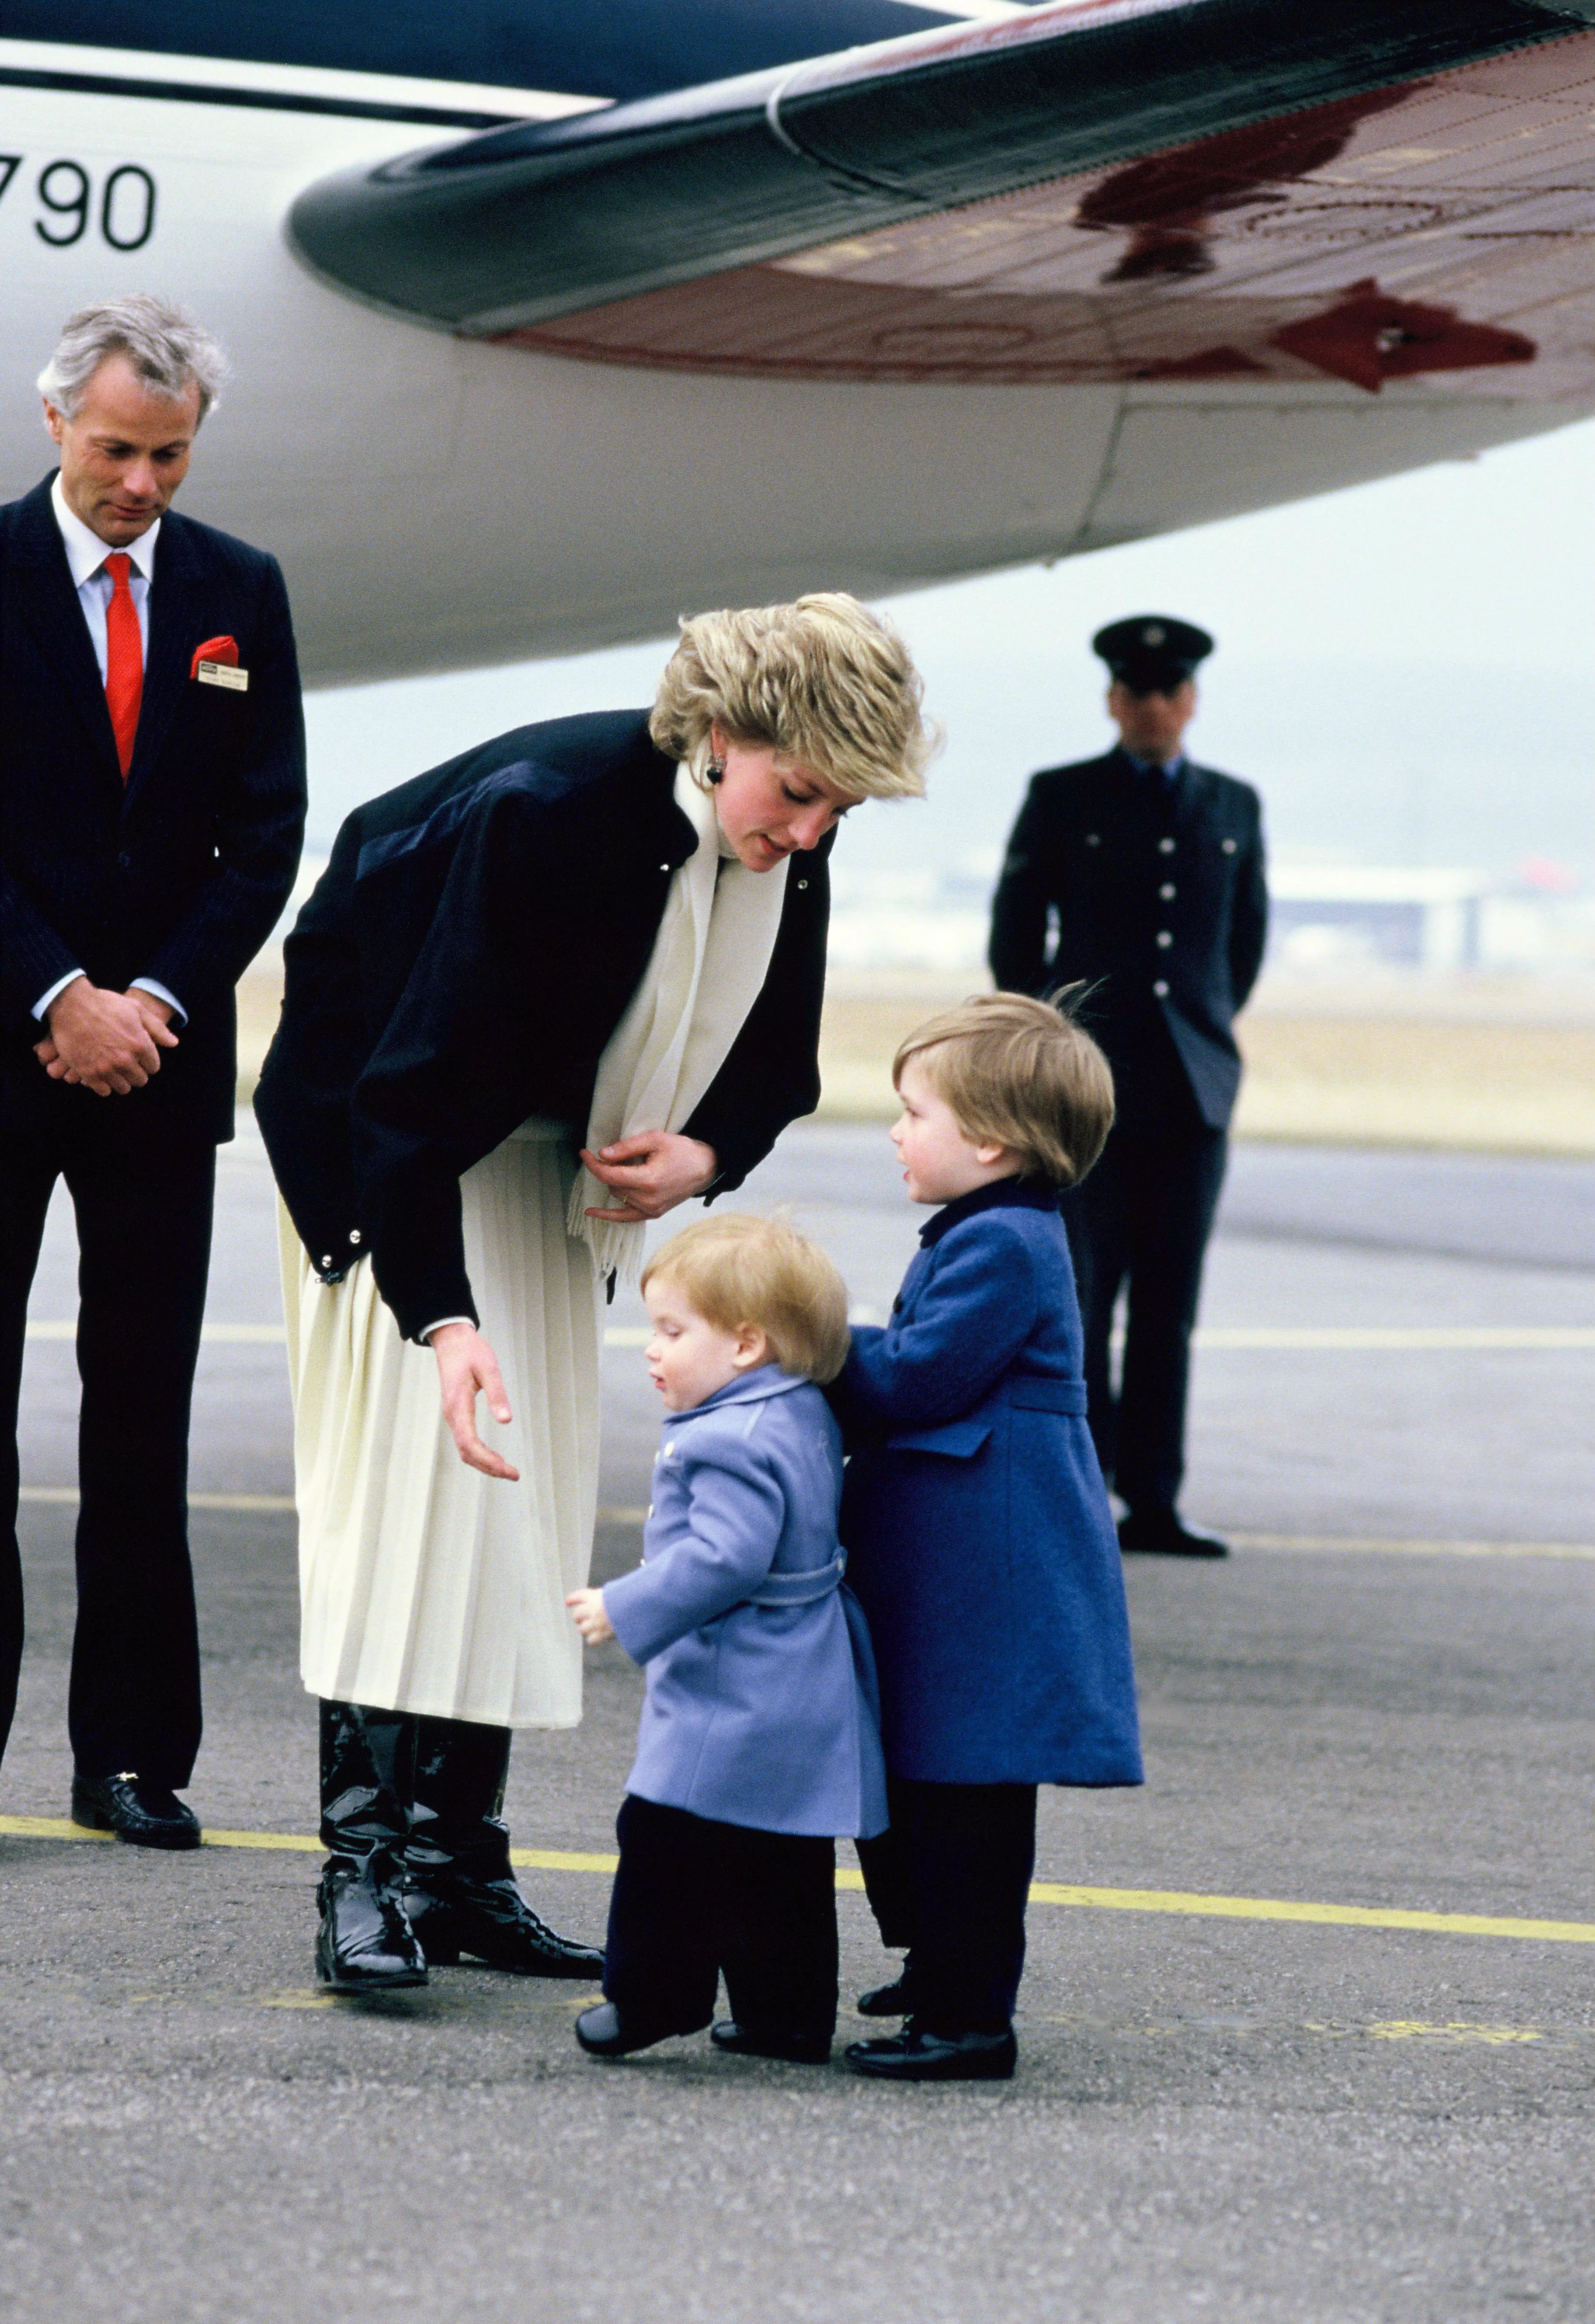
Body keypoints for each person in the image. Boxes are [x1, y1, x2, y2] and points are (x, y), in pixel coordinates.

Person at [253, 594, 931, 1994]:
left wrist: (704, 1149)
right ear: (723, 734)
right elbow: (399, 1097)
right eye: (798, 792)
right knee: (411, 1499)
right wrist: (437, 1319)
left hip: (545, 1157)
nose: (807, 832)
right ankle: (362, 1876)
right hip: (386, 1155)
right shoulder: (543, 816)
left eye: (838, 810)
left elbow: (779, 1056)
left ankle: (458, 1869)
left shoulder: (778, 839)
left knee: (523, 1499)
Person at [0, 297, 306, 1843]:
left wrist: (157, 1000)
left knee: (141, 1414)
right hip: (7, 1042)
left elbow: (264, 840)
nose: (140, 482)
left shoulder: (237, 591)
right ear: (55, 423)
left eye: (169, 455)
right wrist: (57, 992)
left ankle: (129, 1754)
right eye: (116, 449)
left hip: (161, 1067)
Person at [834, 994, 1143, 2083]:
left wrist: (812, 1339)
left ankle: (971, 2017)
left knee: (968, 1798)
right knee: (928, 1782)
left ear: (992, 1141)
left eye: (914, 1111)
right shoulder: (990, 1227)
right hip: (958, 1563)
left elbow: (917, 1380)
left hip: (990, 1574)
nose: (895, 1131)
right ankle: (940, 1973)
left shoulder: (1005, 1243)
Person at [566, 1213, 886, 2063]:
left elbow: (725, 1558)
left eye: (673, 1331)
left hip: (737, 1676)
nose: (652, 1350)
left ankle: (652, 1997)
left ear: (746, 1345)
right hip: (806, 1667)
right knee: (780, 1855)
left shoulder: (727, 1440)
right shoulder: (803, 1410)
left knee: (665, 1836)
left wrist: (625, 1606)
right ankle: (788, 2014)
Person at [988, 616, 1268, 1559]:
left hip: (1193, 1095)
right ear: (1114, 700)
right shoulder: (1064, 796)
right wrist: (1040, 1052)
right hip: (1087, 1093)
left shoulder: (1234, 805)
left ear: (1191, 701)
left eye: (1170, 691)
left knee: (1168, 1307)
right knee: (1081, 1295)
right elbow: (1017, 935)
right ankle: (1080, 1495)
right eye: (1137, 692)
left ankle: (1154, 1500)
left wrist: (1208, 1032)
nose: (1154, 706)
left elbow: (1242, 946)